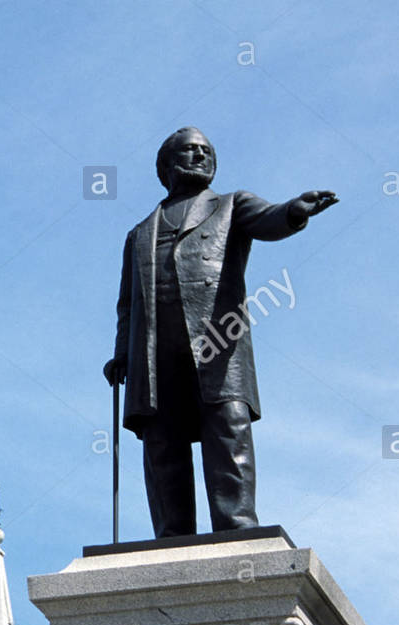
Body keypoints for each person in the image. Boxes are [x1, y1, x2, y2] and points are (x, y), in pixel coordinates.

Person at [104, 127, 337, 537]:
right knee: (162, 444)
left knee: (228, 429)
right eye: (189, 150)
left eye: (206, 151)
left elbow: (269, 219)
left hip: (217, 343)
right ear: (166, 166)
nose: (200, 156)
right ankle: (173, 536)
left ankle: (237, 526)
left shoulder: (231, 206)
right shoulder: (140, 233)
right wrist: (122, 354)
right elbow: (128, 304)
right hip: (154, 353)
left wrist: (294, 210)